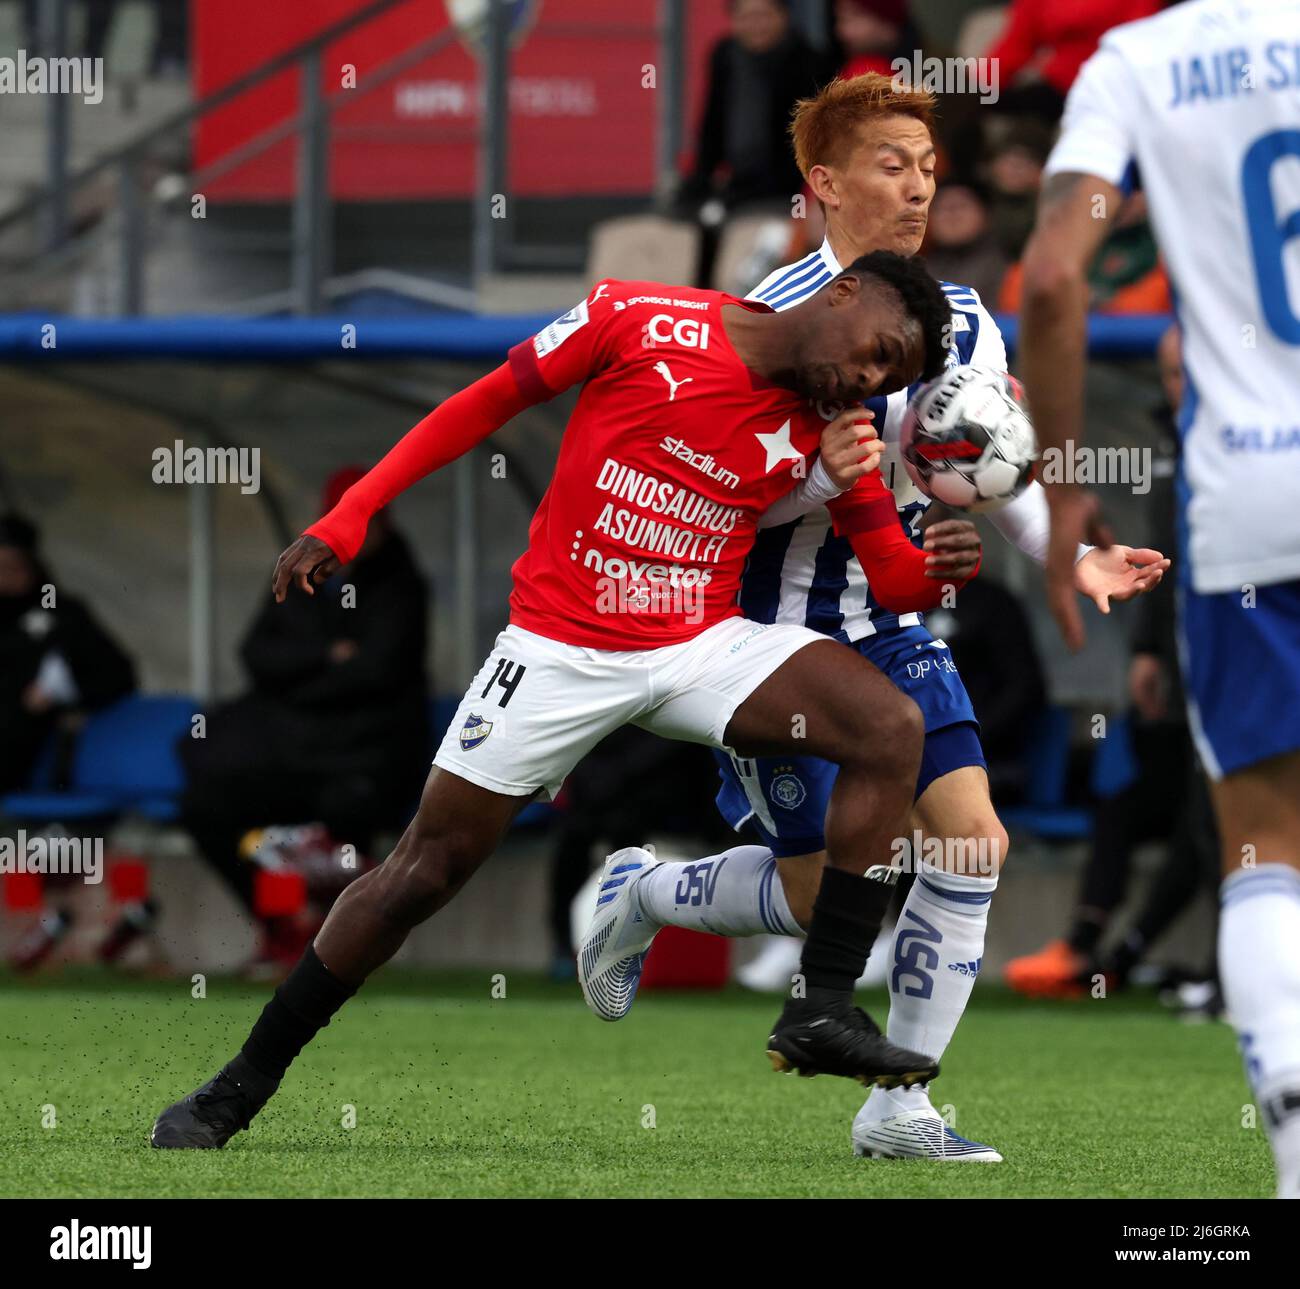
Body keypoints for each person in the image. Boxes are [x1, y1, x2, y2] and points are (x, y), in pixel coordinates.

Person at [151, 252, 969, 1150]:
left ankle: (820, 1007)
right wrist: (352, 513)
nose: (870, 376)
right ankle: (236, 1087)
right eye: (880, 349)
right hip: (560, 646)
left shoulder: (833, 423)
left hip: (699, 641)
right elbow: (484, 403)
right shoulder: (638, 316)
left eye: (891, 375)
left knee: (890, 723)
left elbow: (889, 574)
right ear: (843, 290)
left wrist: (935, 564)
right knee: (422, 872)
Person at [579, 72, 1167, 1163]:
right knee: (819, 895)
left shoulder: (971, 322)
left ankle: (900, 1108)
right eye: (891, 167)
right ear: (823, 182)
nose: (916, 189)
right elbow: (711, 483)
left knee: (972, 840)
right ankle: (647, 887)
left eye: (929, 170)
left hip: (889, 629)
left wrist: (1073, 556)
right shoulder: (764, 321)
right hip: (769, 641)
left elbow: (988, 472)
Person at [1019, 0, 1300, 1198]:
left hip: (1253, 496)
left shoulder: (1135, 63)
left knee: (1264, 847)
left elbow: (1050, 278)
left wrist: (1066, 483)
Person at [1005, 325, 1220, 1005]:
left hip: (1244, 663)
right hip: (1188, 665)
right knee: (1131, 787)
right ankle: (1091, 946)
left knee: (1219, 814)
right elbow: (1167, 556)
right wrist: (1151, 650)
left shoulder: (1247, 449)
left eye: (1189, 373)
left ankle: (1206, 970)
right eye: (1171, 375)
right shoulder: (1172, 449)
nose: (1178, 388)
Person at [178, 467, 429, 976]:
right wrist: (326, 657)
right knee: (206, 805)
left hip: (367, 754)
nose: (353, 531)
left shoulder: (402, 586)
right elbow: (256, 654)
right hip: (291, 751)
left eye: (364, 519)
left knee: (347, 811)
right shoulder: (301, 572)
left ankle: (348, 946)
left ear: (383, 523)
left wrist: (301, 676)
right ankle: (283, 930)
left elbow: (376, 673)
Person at [0, 513, 137, 969]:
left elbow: (118, 675)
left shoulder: (61, 615)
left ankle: (82, 933)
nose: (7, 577)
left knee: (45, 844)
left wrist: (62, 692)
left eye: (15, 565)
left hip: (25, 753)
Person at [677, 0, 833, 283]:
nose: (755, 26)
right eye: (746, 17)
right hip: (734, 182)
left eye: (764, 16)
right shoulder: (725, 56)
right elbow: (712, 124)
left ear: (783, 17)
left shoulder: (810, 63)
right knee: (689, 216)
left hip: (783, 186)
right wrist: (702, 178)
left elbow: (811, 140)